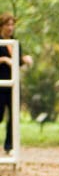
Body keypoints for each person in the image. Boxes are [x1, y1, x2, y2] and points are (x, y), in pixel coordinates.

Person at [0, 12, 33, 155]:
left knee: (14, 117)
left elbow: (17, 62)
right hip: (1, 85)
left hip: (13, 86)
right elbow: (7, 61)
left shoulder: (16, 43)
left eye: (12, 24)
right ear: (1, 26)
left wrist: (24, 59)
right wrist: (3, 60)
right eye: (7, 24)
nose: (10, 27)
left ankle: (9, 146)